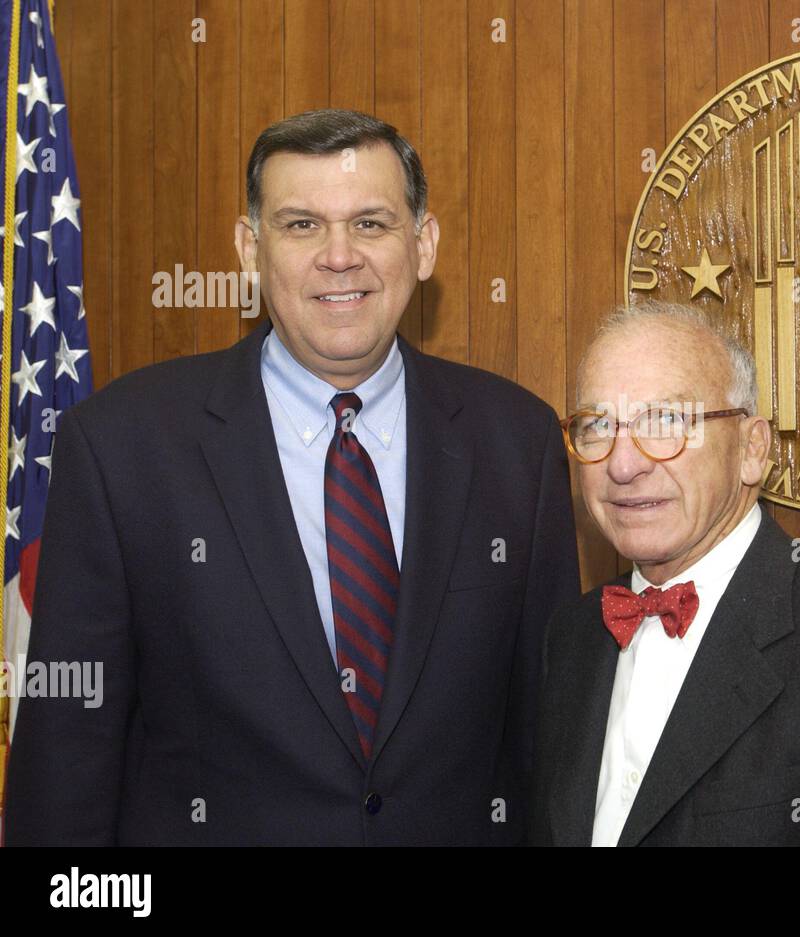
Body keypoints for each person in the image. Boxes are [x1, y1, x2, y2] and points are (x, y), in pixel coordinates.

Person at [4, 108, 579, 845]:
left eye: (371, 223)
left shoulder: (518, 444)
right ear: (250, 249)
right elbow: (66, 769)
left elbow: (549, 751)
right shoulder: (123, 448)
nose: (340, 256)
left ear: (424, 244)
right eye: (302, 224)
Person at [528, 300, 800, 846]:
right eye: (599, 426)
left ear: (751, 449)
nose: (624, 465)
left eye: (667, 421)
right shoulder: (571, 638)